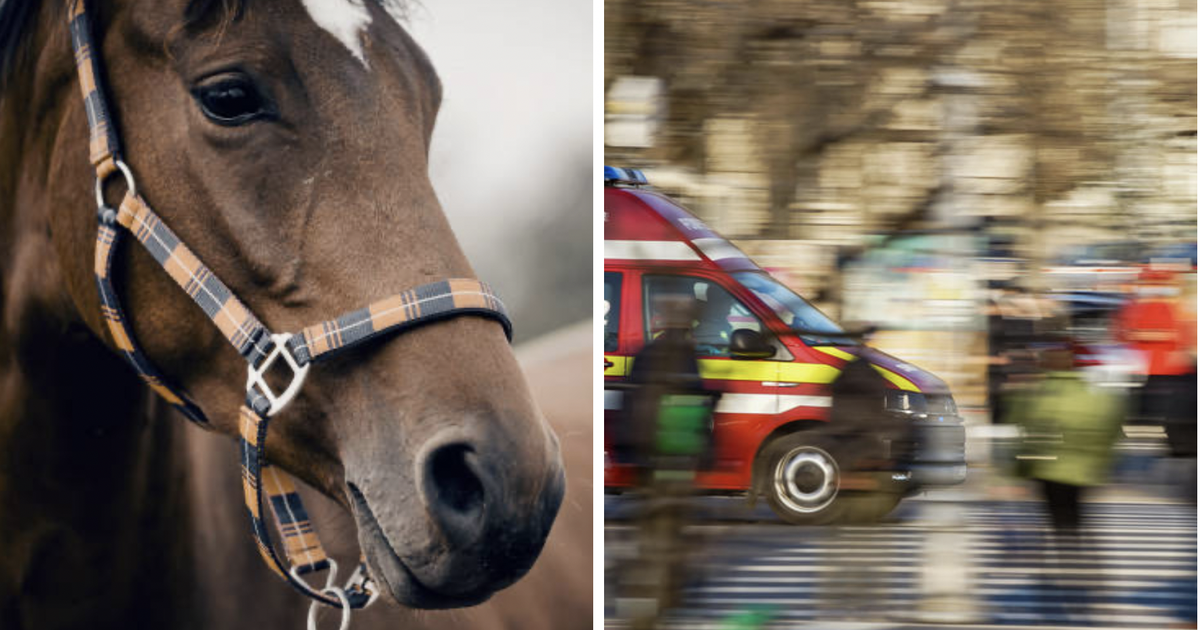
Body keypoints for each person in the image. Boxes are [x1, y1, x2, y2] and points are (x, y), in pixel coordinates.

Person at [619, 293, 718, 630]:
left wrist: (628, 451)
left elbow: (630, 404)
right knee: (671, 529)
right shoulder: (687, 357)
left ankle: (649, 600)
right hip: (676, 458)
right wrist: (705, 454)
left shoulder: (646, 353)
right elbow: (697, 411)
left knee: (651, 531)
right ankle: (662, 598)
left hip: (648, 459)